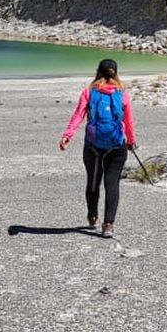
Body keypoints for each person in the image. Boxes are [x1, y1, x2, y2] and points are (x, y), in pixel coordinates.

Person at [59, 59, 137, 238]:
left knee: (93, 181)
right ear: (115, 72)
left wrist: (67, 135)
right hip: (117, 144)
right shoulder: (122, 93)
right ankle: (108, 224)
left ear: (98, 71)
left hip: (93, 145)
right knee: (112, 183)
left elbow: (78, 115)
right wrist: (131, 141)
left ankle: (92, 215)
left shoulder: (89, 92)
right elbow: (128, 121)